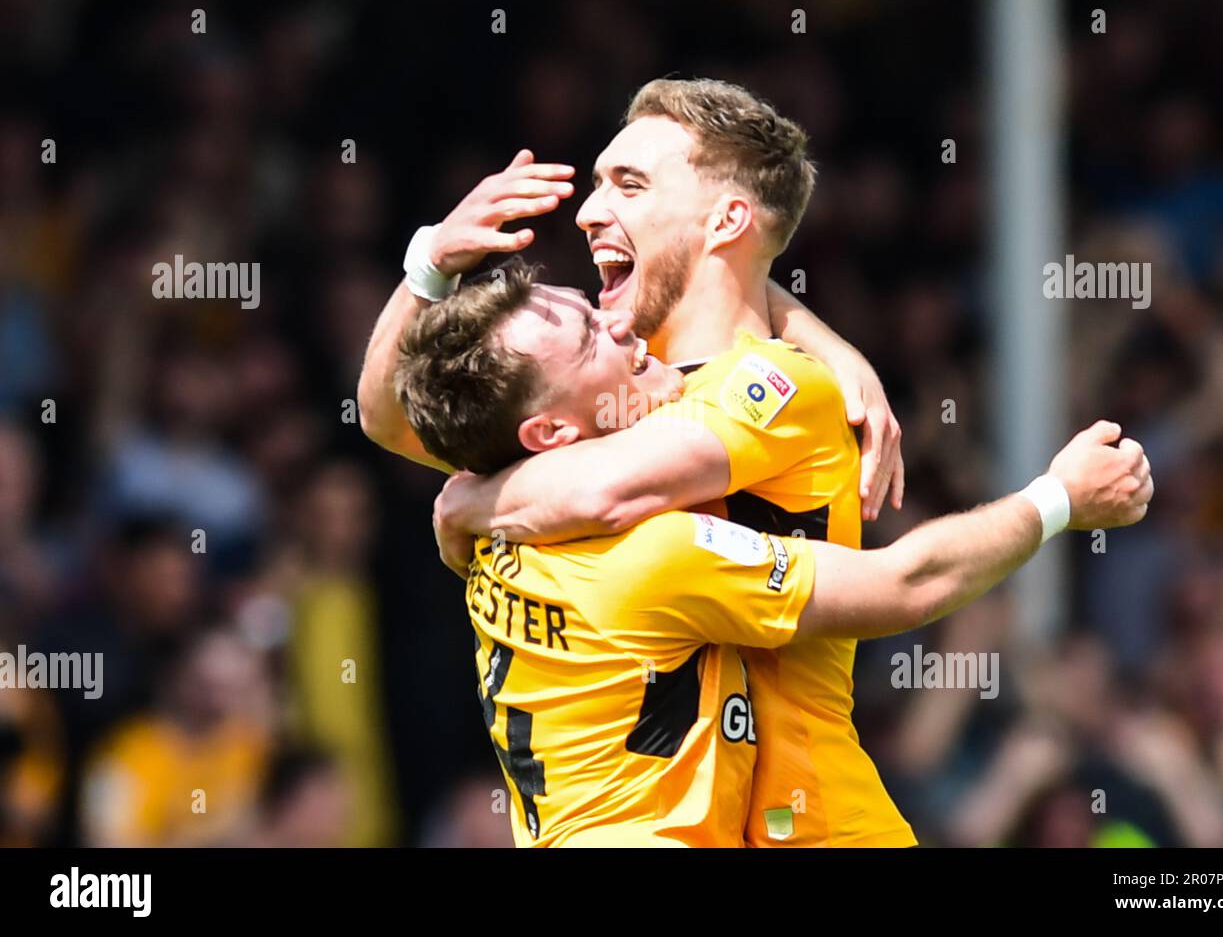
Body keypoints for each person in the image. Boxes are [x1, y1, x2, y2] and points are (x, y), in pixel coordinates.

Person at [389, 260, 1152, 846]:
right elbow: (906, 582)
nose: (618, 324)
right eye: (591, 340)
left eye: (592, 308)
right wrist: (1060, 498)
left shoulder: (485, 535)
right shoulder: (652, 555)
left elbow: (392, 420)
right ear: (550, 434)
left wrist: (424, 269)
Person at [361, 77, 917, 845]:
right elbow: (389, 417)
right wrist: (427, 263)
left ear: (725, 219)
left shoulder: (773, 384)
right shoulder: (609, 386)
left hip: (816, 824)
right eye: (597, 183)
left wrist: (476, 500)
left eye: (630, 184)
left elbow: (609, 490)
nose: (589, 211)